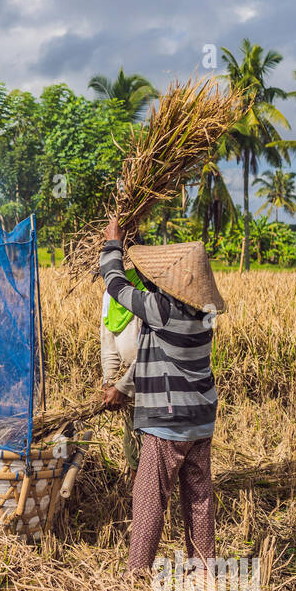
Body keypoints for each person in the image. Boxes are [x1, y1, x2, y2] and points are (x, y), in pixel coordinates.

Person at [100, 217, 225, 572]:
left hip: (167, 421)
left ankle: (137, 571)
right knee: (198, 495)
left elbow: (117, 287)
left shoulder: (162, 310)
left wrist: (112, 245)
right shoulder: (206, 314)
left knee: (149, 494)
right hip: (201, 418)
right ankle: (202, 570)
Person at [100, 255, 146, 469]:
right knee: (134, 447)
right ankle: (139, 499)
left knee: (154, 452)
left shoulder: (147, 295)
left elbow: (149, 354)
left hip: (151, 381)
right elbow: (108, 343)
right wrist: (110, 381)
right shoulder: (109, 296)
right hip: (128, 385)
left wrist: (122, 386)